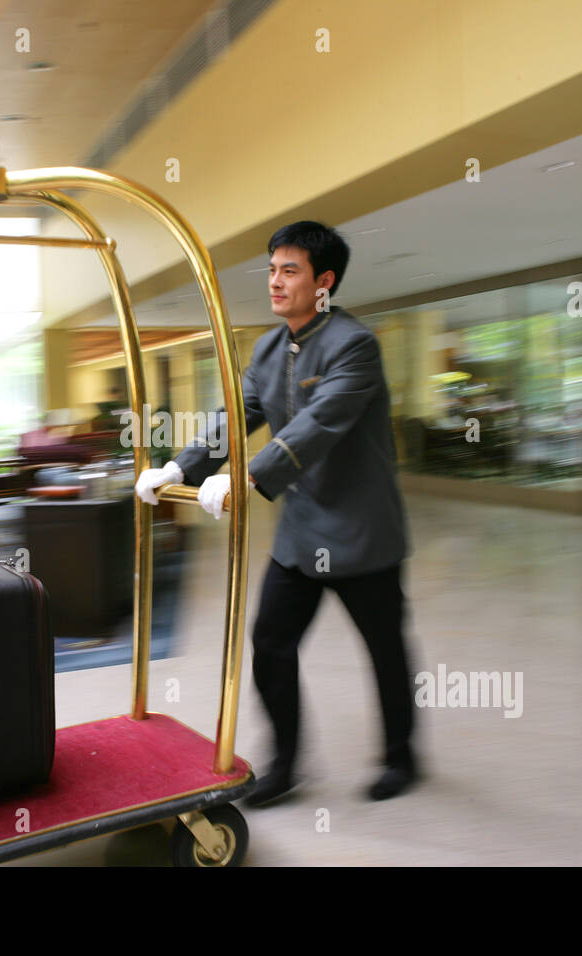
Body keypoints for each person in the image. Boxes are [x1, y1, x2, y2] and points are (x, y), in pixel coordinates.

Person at [135, 221, 418, 805]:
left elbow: (317, 428)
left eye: (290, 270)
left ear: (324, 282)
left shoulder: (354, 345)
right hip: (301, 531)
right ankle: (286, 765)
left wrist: (247, 478)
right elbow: (233, 420)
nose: (275, 281)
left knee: (384, 650)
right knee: (270, 643)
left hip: (362, 533)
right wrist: (179, 468)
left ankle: (402, 758)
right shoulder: (267, 348)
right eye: (272, 269)